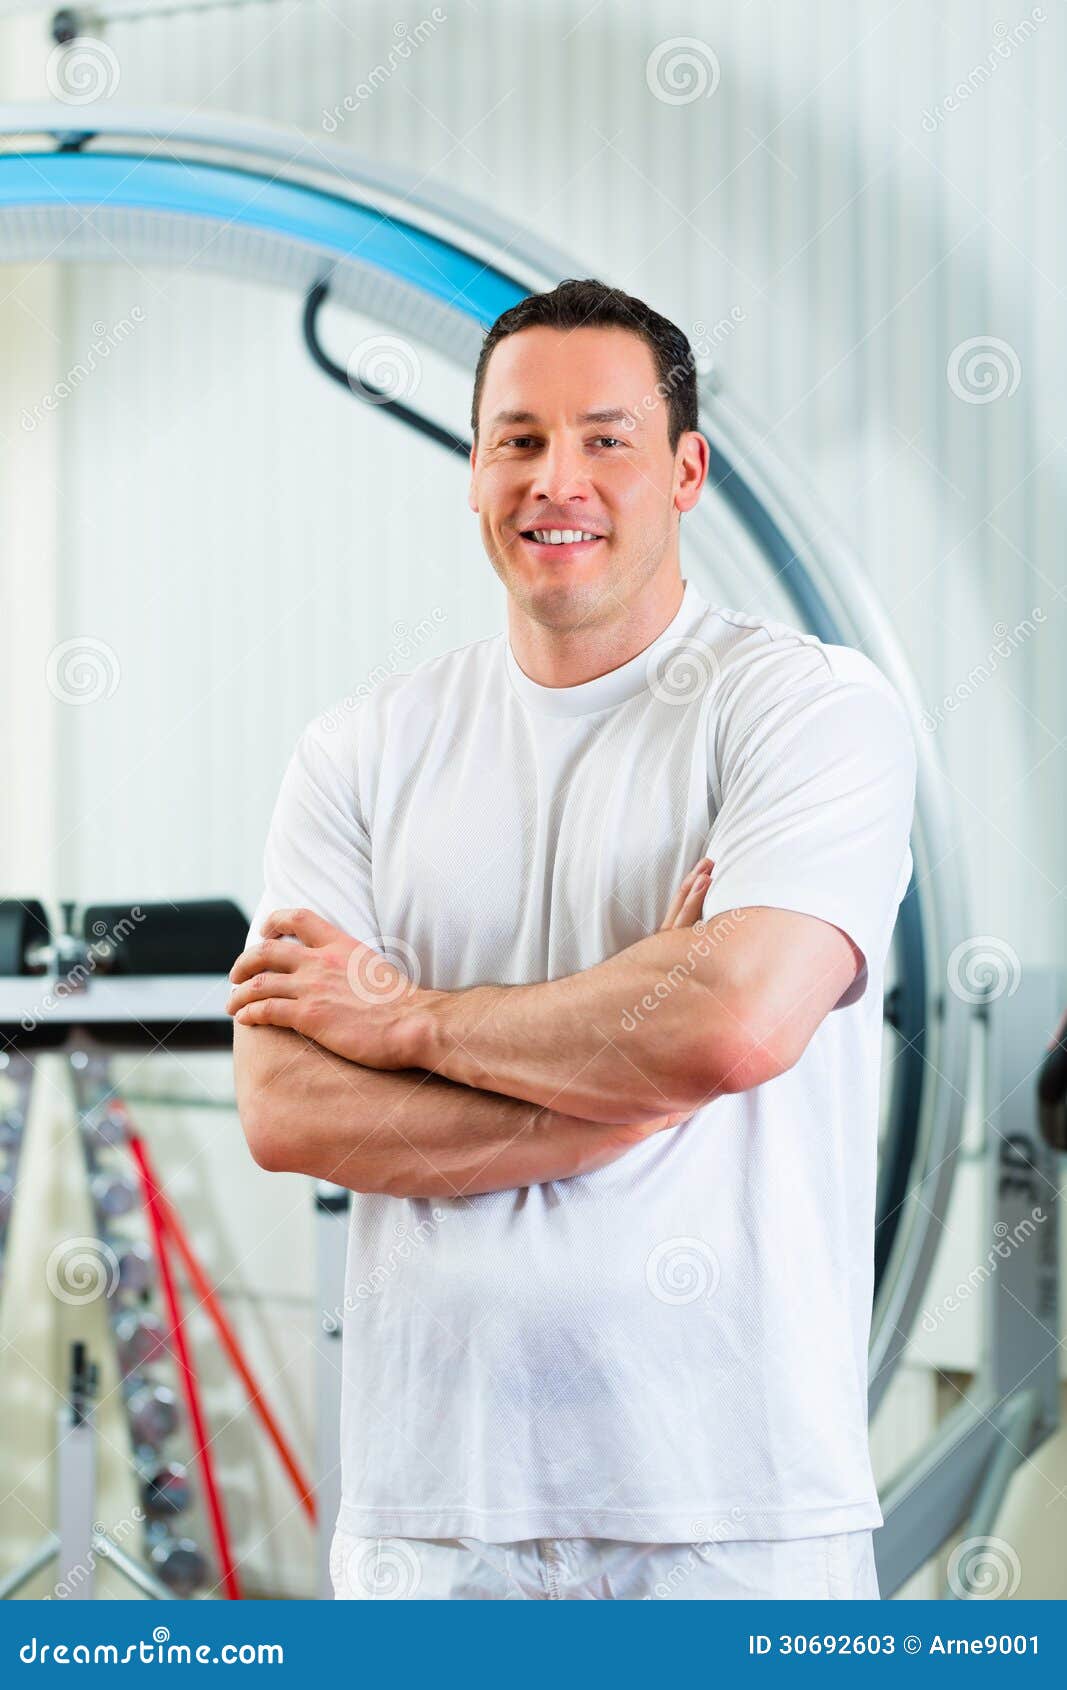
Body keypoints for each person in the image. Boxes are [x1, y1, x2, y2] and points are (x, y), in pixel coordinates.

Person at [229, 278, 917, 1600]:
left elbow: (731, 1022)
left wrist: (409, 1020)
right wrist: (616, 1099)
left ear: (686, 469)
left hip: (729, 1509)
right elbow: (291, 1106)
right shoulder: (361, 749)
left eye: (606, 438)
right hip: (434, 1515)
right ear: (476, 468)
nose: (559, 479)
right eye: (519, 440)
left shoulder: (805, 710)